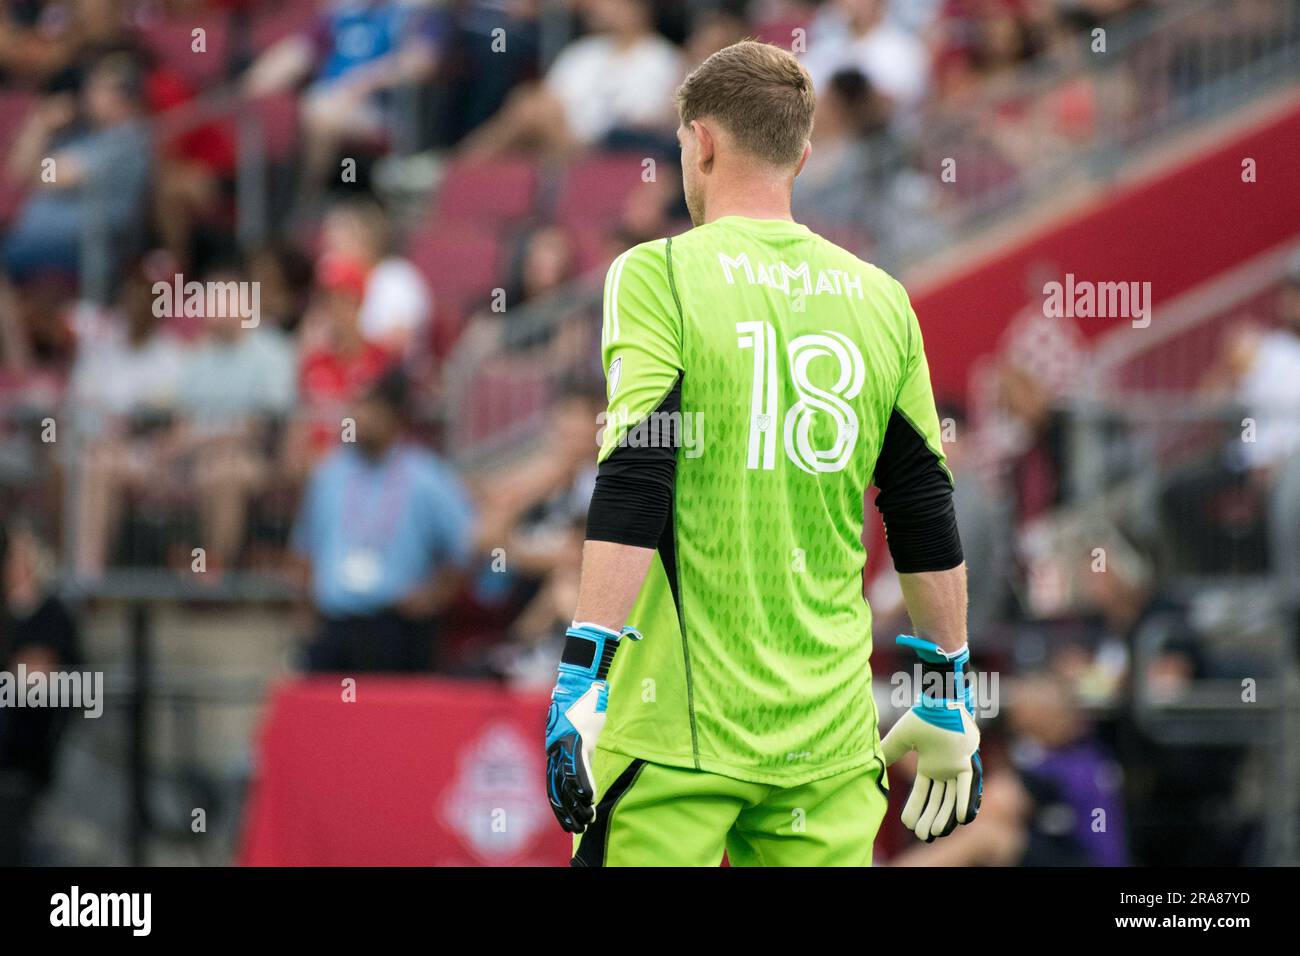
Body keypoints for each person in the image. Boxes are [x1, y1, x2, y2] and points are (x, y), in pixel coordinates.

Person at [542, 41, 979, 866]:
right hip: (829, 746)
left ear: (700, 142)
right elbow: (922, 505)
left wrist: (583, 670)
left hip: (676, 734)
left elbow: (639, 468)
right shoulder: (883, 300)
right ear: (802, 155)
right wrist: (950, 688)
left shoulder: (658, 273)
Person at [291, 369, 475, 673]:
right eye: (357, 409)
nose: (361, 419)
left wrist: (435, 595)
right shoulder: (329, 474)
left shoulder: (425, 476)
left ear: (394, 419)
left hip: (395, 628)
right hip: (334, 625)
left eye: (372, 411)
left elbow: (468, 543)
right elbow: (304, 548)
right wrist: (304, 614)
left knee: (390, 716)